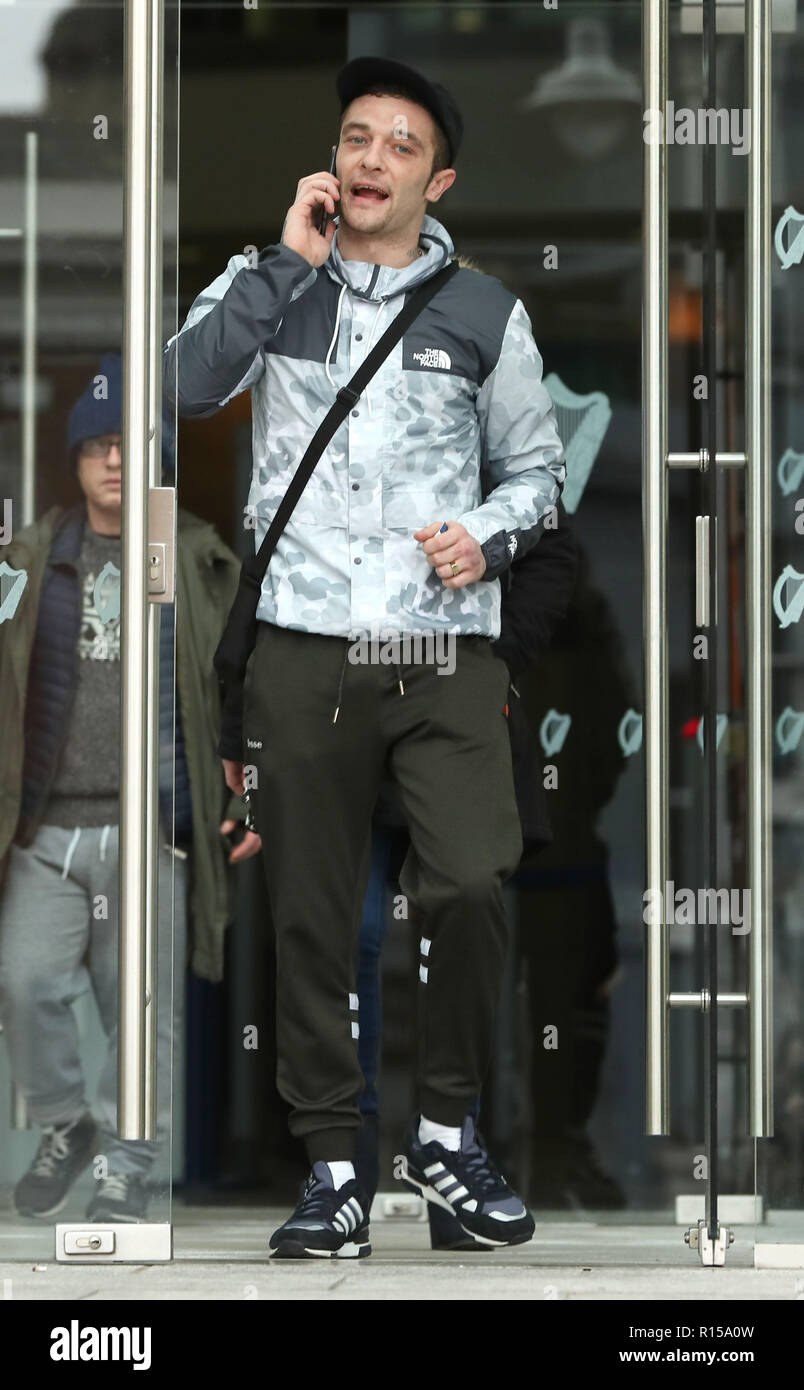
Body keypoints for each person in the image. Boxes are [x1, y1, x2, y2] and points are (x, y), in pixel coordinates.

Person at [164, 56, 565, 1259]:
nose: (371, 158)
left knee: (472, 882)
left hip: (443, 652)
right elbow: (180, 389)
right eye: (355, 138)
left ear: (437, 178)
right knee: (315, 921)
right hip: (303, 650)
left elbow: (539, 477)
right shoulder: (269, 283)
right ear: (334, 159)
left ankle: (447, 1136)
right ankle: (334, 1164)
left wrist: (483, 536)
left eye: (399, 144)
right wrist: (283, 258)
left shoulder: (488, 312)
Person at [0, 354, 258, 1223]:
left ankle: (127, 1161)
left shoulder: (194, 559)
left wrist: (246, 793)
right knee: (24, 983)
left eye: (130, 445)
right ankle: (70, 1125)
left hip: (152, 829)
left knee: (143, 1012)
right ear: (73, 462)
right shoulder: (33, 556)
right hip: (47, 831)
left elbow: (237, 689)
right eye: (97, 446)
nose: (114, 461)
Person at [355, 499, 579, 1250]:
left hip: (458, 725)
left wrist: (486, 668)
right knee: (347, 946)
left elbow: (552, 556)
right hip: (346, 721)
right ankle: (342, 1181)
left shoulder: (482, 408)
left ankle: (452, 1178)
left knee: (459, 930)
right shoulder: (335, 416)